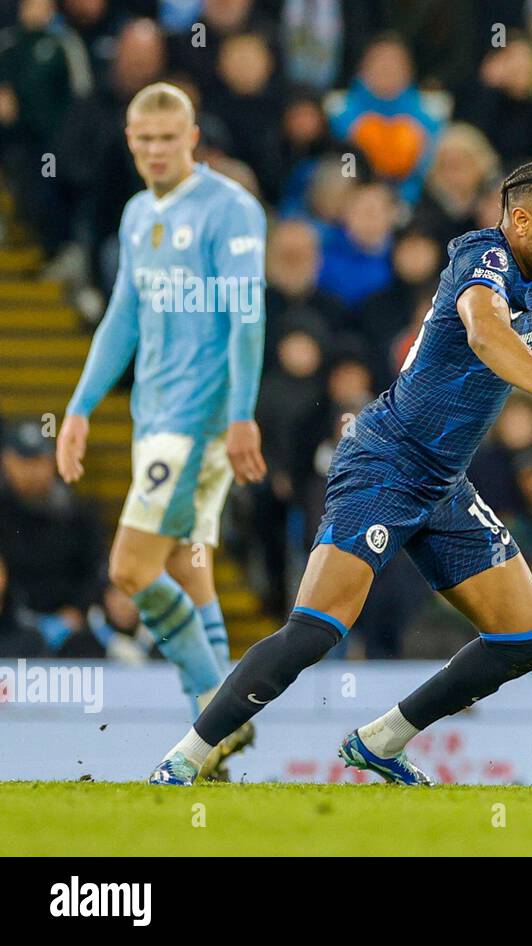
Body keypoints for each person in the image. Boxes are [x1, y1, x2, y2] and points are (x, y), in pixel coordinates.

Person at [147, 159, 532, 785]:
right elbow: (486, 334)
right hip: (386, 463)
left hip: (444, 483)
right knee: (315, 631)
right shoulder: (484, 263)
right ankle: (185, 757)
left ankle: (381, 741)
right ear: (520, 221)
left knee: (527, 638)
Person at [56, 82, 267, 779]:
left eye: (165, 139)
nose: (152, 151)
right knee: (184, 567)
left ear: (192, 136)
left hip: (196, 424)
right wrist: (82, 407)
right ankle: (214, 748)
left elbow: (246, 319)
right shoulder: (137, 212)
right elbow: (122, 315)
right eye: (141, 140)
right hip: (154, 417)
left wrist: (240, 415)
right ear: (129, 140)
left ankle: (218, 714)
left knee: (129, 569)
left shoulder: (230, 210)